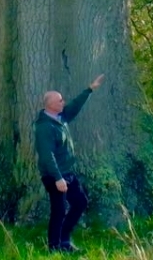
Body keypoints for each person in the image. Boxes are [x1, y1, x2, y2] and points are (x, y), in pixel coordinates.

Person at [35, 73, 104, 253]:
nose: (63, 102)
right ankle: (54, 247)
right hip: (54, 175)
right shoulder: (44, 127)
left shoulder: (61, 117)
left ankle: (64, 239)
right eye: (60, 100)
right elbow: (46, 155)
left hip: (67, 173)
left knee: (80, 202)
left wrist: (89, 89)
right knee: (58, 211)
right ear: (50, 104)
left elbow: (74, 106)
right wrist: (58, 178)